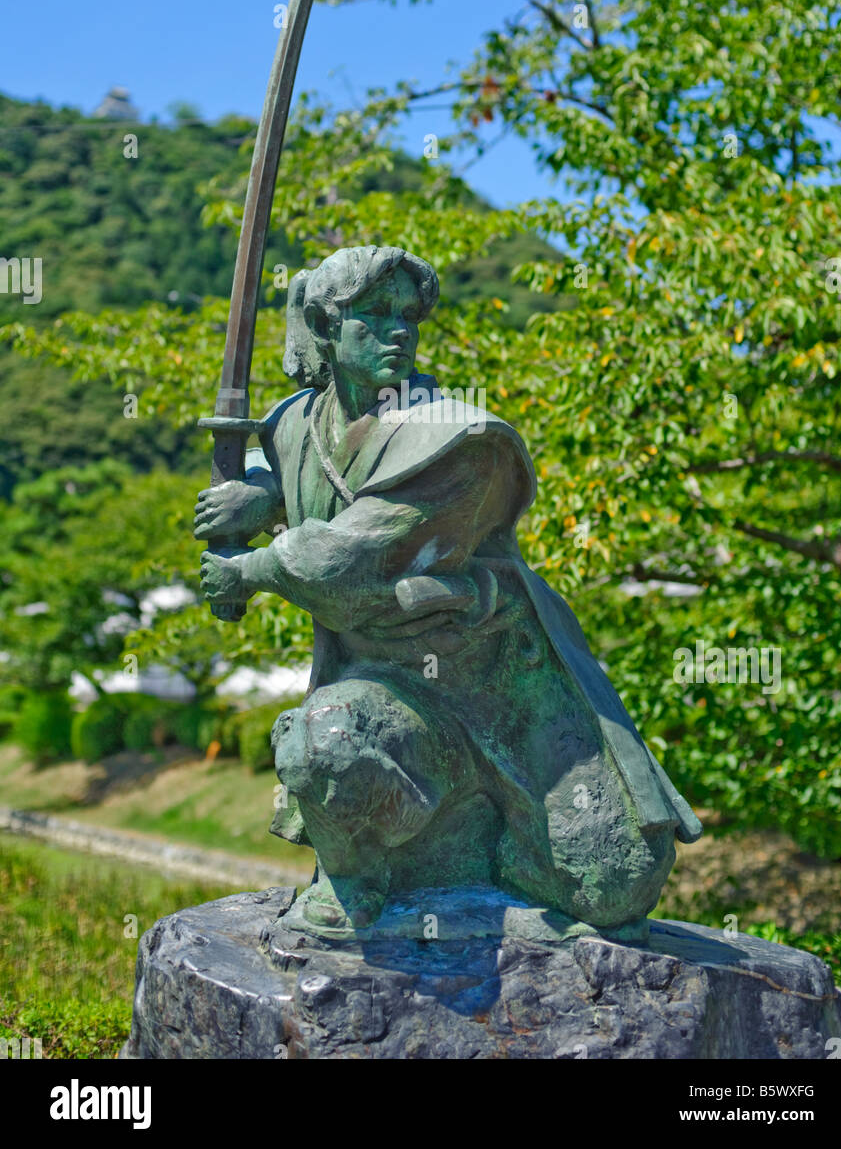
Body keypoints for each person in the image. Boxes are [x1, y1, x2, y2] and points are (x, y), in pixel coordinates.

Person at [194, 245, 701, 936]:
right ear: (325, 324)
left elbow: (354, 558)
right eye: (374, 314)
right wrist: (253, 499)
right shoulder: (295, 421)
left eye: (409, 316)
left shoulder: (457, 438)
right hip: (387, 682)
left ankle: (474, 855)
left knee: (614, 884)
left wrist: (247, 571)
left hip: (502, 682)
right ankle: (360, 884)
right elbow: (277, 465)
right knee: (325, 747)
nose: (398, 331)